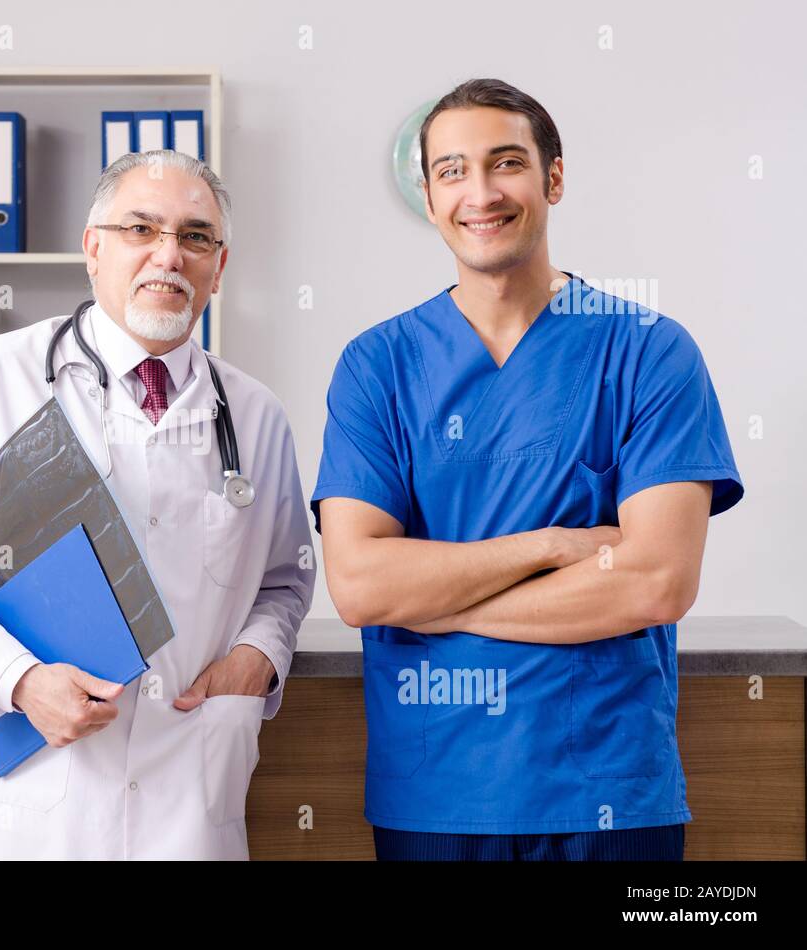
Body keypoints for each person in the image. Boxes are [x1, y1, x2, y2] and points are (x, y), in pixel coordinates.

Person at [312, 79, 743, 861]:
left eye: (505, 163)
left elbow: (654, 583)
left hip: (608, 791)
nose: (480, 192)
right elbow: (363, 588)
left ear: (554, 178)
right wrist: (548, 546)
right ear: (430, 194)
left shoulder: (648, 352)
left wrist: (434, 604)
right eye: (452, 170)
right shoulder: (377, 366)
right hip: (435, 796)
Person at [0, 149, 314, 859]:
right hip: (26, 797)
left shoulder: (255, 415)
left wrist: (258, 655)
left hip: (187, 794)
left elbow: (286, 578)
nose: (169, 254)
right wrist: (17, 680)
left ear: (219, 268)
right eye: (141, 229)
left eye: (196, 237)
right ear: (93, 249)